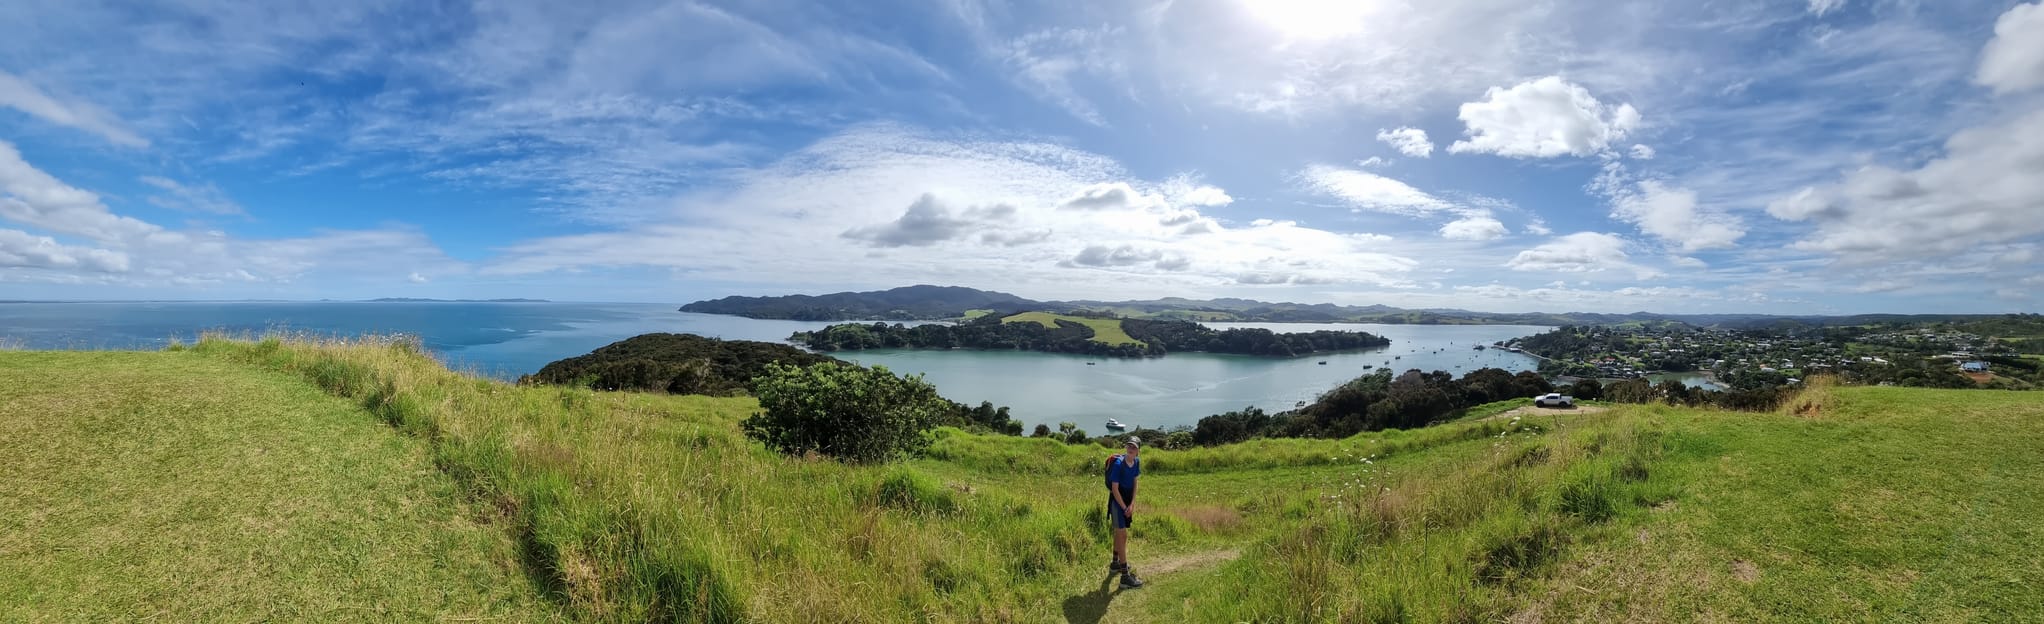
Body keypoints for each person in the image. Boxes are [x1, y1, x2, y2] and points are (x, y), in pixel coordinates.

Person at [1106, 436, 1144, 588]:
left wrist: (1132, 504)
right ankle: (1124, 577)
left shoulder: (1136, 462)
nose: (1130, 448)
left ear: (1138, 451)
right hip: (1117, 502)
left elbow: (1135, 482)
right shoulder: (1118, 464)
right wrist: (1124, 508)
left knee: (1120, 534)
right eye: (1129, 445)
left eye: (1134, 447)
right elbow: (1115, 489)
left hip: (1127, 502)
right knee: (1121, 535)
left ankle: (1115, 563)